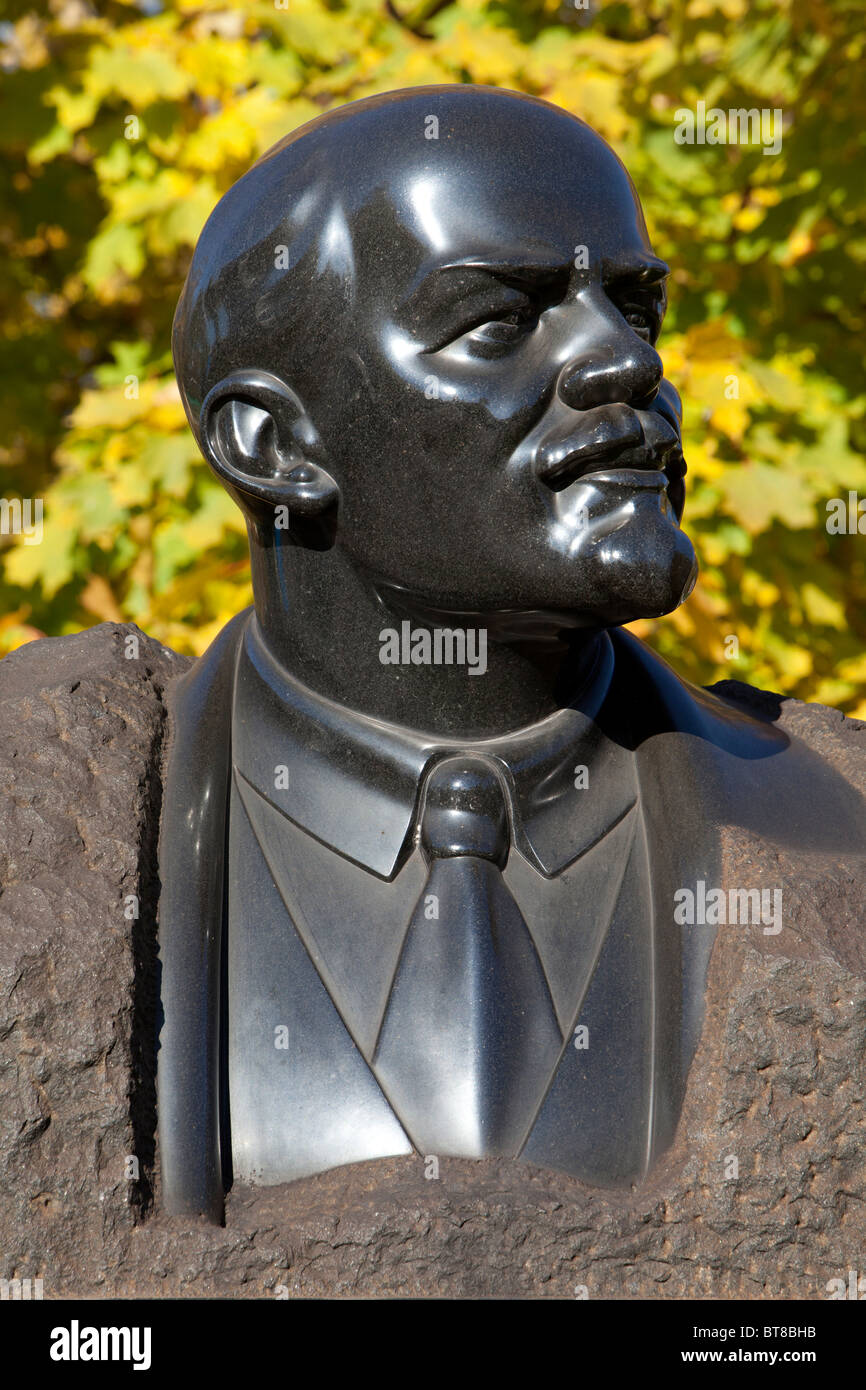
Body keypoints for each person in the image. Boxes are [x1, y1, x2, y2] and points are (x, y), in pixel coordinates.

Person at [159, 85, 866, 1221]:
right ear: (274, 442)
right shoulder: (47, 828)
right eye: (499, 319)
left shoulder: (836, 817)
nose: (622, 366)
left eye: (634, 309)